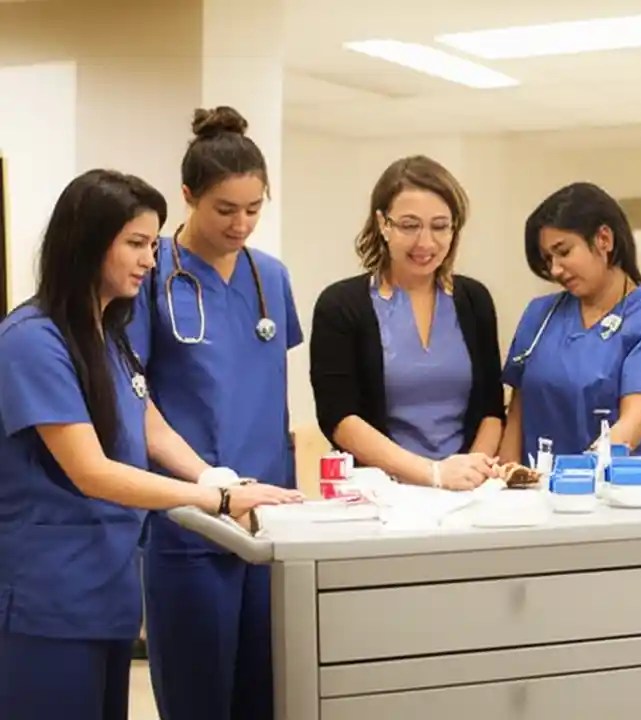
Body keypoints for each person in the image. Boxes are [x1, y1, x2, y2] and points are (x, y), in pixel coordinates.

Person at [0, 169, 300, 720]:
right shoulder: (32, 341)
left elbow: (148, 422)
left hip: (105, 591)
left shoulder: (104, 334)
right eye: (136, 244)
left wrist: (218, 477)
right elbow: (92, 471)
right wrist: (218, 502)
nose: (150, 259)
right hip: (50, 599)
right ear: (88, 243)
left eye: (152, 244)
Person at [128, 106, 304, 720]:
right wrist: (206, 478)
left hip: (269, 513)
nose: (241, 224)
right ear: (187, 197)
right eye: (225, 209)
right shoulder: (153, 281)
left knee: (269, 690)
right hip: (190, 518)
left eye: (254, 209)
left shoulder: (270, 277)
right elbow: (136, 398)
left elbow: (269, 389)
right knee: (199, 697)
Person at [309, 155, 501, 489]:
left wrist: (472, 473)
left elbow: (492, 409)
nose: (425, 243)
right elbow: (340, 418)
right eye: (410, 226)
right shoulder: (341, 306)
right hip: (378, 494)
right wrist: (432, 474)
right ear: (383, 224)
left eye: (440, 226)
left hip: (465, 492)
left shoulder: (474, 300)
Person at [498, 182, 641, 471]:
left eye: (563, 251)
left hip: (626, 498)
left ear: (604, 239)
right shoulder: (540, 316)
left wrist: (568, 481)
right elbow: (517, 412)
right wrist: (506, 481)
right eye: (548, 258)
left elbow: (628, 433)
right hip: (543, 498)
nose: (555, 269)